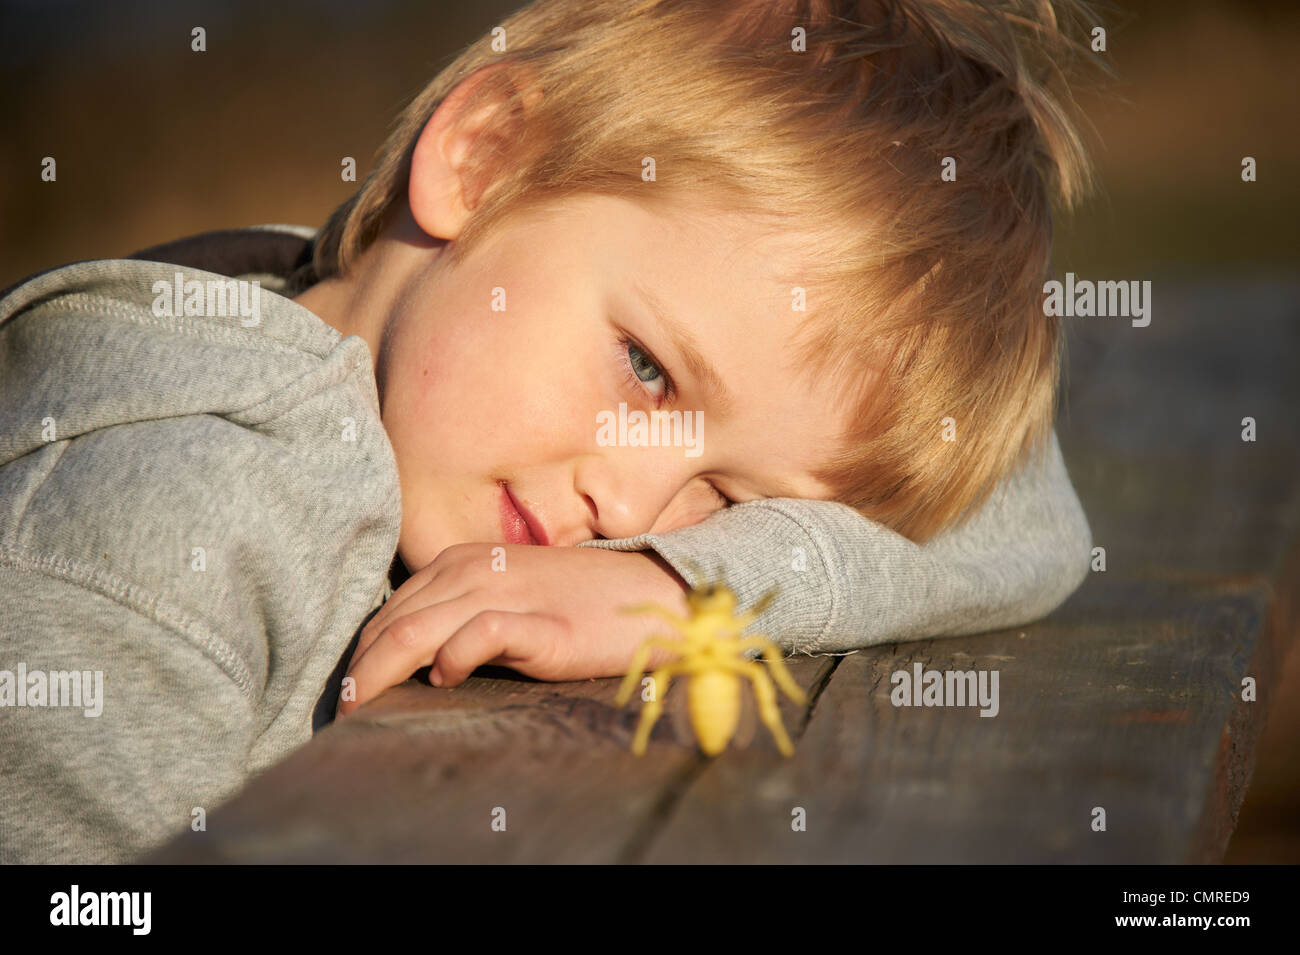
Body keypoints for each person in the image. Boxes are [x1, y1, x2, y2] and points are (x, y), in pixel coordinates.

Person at [0, 0, 1099, 862]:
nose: (630, 508)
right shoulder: (145, 545)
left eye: (728, 496)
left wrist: (688, 586)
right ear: (482, 160)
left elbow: (1026, 509)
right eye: (648, 369)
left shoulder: (369, 345)